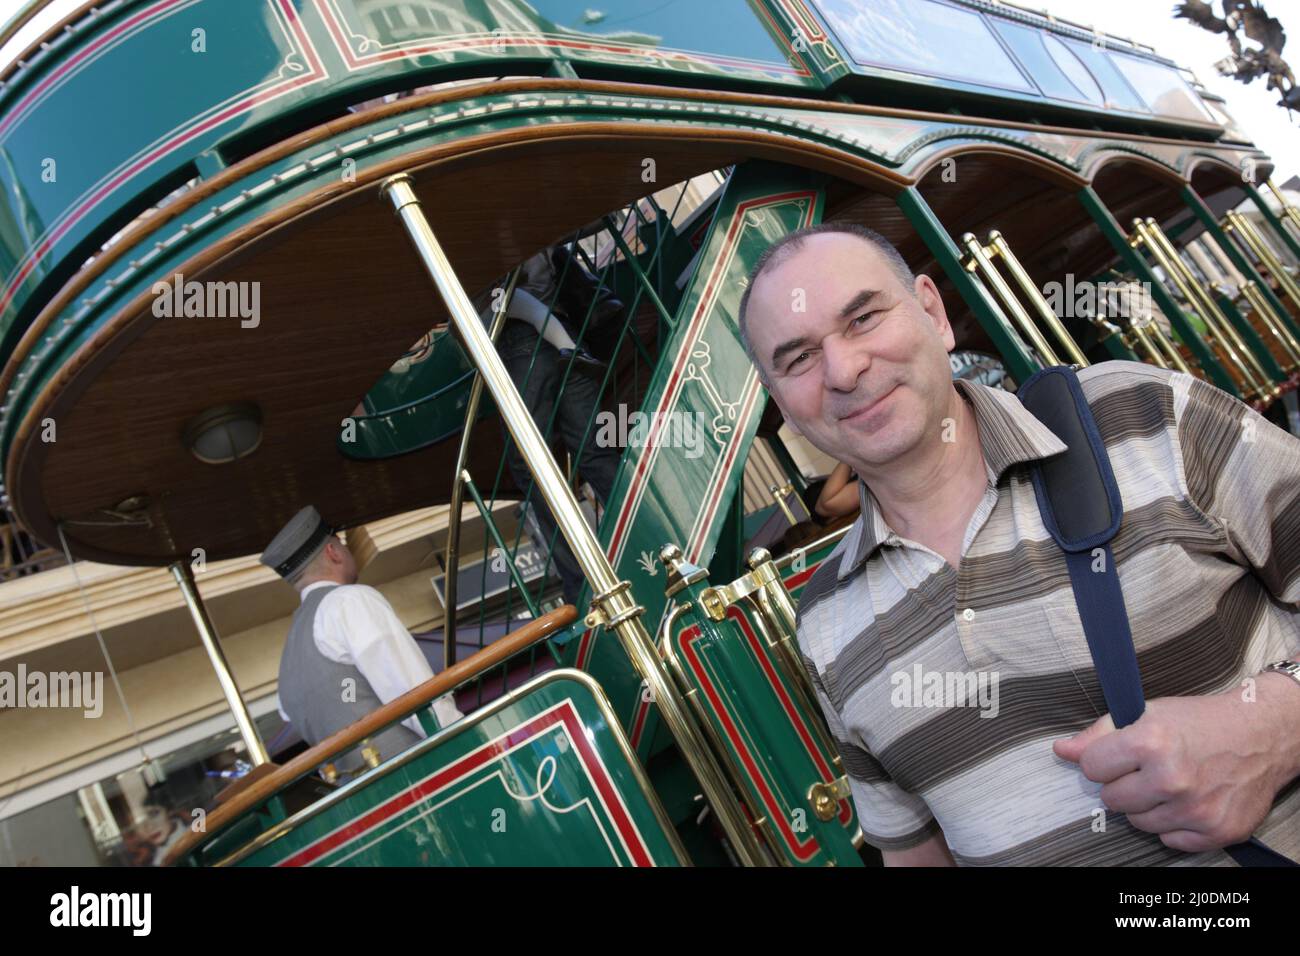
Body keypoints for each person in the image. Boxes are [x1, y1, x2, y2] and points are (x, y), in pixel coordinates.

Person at [737, 222, 1300, 866]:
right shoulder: (825, 622)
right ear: (781, 402)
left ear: (932, 312)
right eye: (799, 359)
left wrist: (1272, 727)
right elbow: (918, 855)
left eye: (863, 318)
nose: (843, 370)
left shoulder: (1139, 416)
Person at [261, 506, 462, 775]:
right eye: (343, 545)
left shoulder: (288, 658)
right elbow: (413, 692)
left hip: (364, 796)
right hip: (423, 776)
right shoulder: (348, 601)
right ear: (333, 552)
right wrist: (466, 742)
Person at [476, 249, 621, 607]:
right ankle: (643, 526)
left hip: (517, 339)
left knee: (531, 468)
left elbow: (503, 299)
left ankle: (580, 581)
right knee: (594, 450)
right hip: (562, 326)